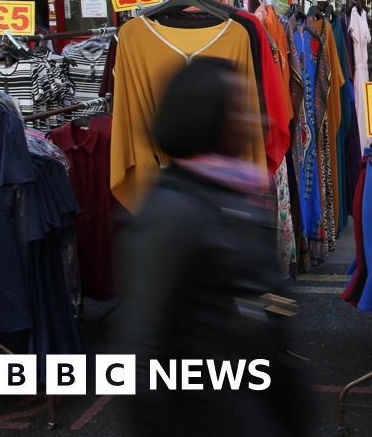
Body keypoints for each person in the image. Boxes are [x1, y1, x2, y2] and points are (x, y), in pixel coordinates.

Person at [116, 58, 312, 437]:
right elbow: (141, 346)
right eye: (238, 108)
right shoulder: (172, 211)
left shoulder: (235, 192)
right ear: (208, 118)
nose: (255, 120)